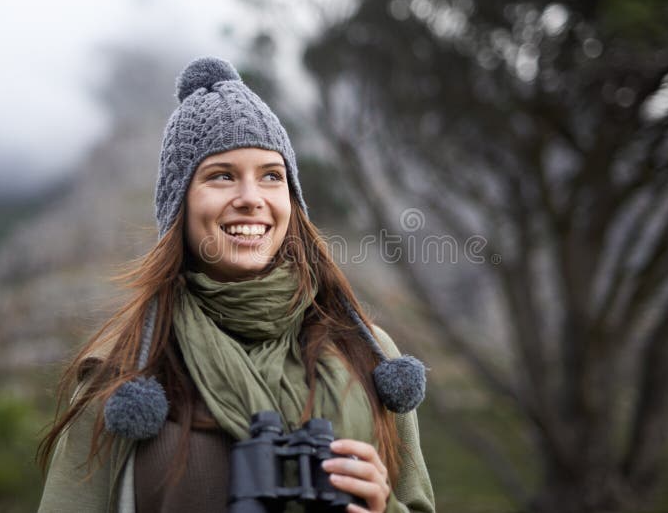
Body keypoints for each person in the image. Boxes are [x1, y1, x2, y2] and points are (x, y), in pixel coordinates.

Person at [37, 57, 435, 513]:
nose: (251, 199)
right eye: (221, 176)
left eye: (271, 175)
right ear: (179, 207)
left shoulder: (370, 353)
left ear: (292, 201)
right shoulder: (124, 371)